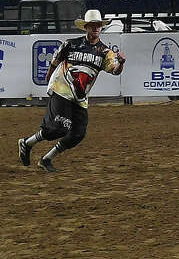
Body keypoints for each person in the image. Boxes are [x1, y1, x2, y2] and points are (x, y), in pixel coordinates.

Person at [17, 9, 125, 173]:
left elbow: (115, 70)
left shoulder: (105, 52)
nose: (95, 28)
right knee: (58, 129)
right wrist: (49, 77)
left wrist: (121, 63)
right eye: (92, 25)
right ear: (86, 27)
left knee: (77, 134)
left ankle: (44, 157)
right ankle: (28, 143)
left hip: (80, 98)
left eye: (98, 26)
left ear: (101, 28)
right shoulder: (70, 44)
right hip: (62, 90)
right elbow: (56, 60)